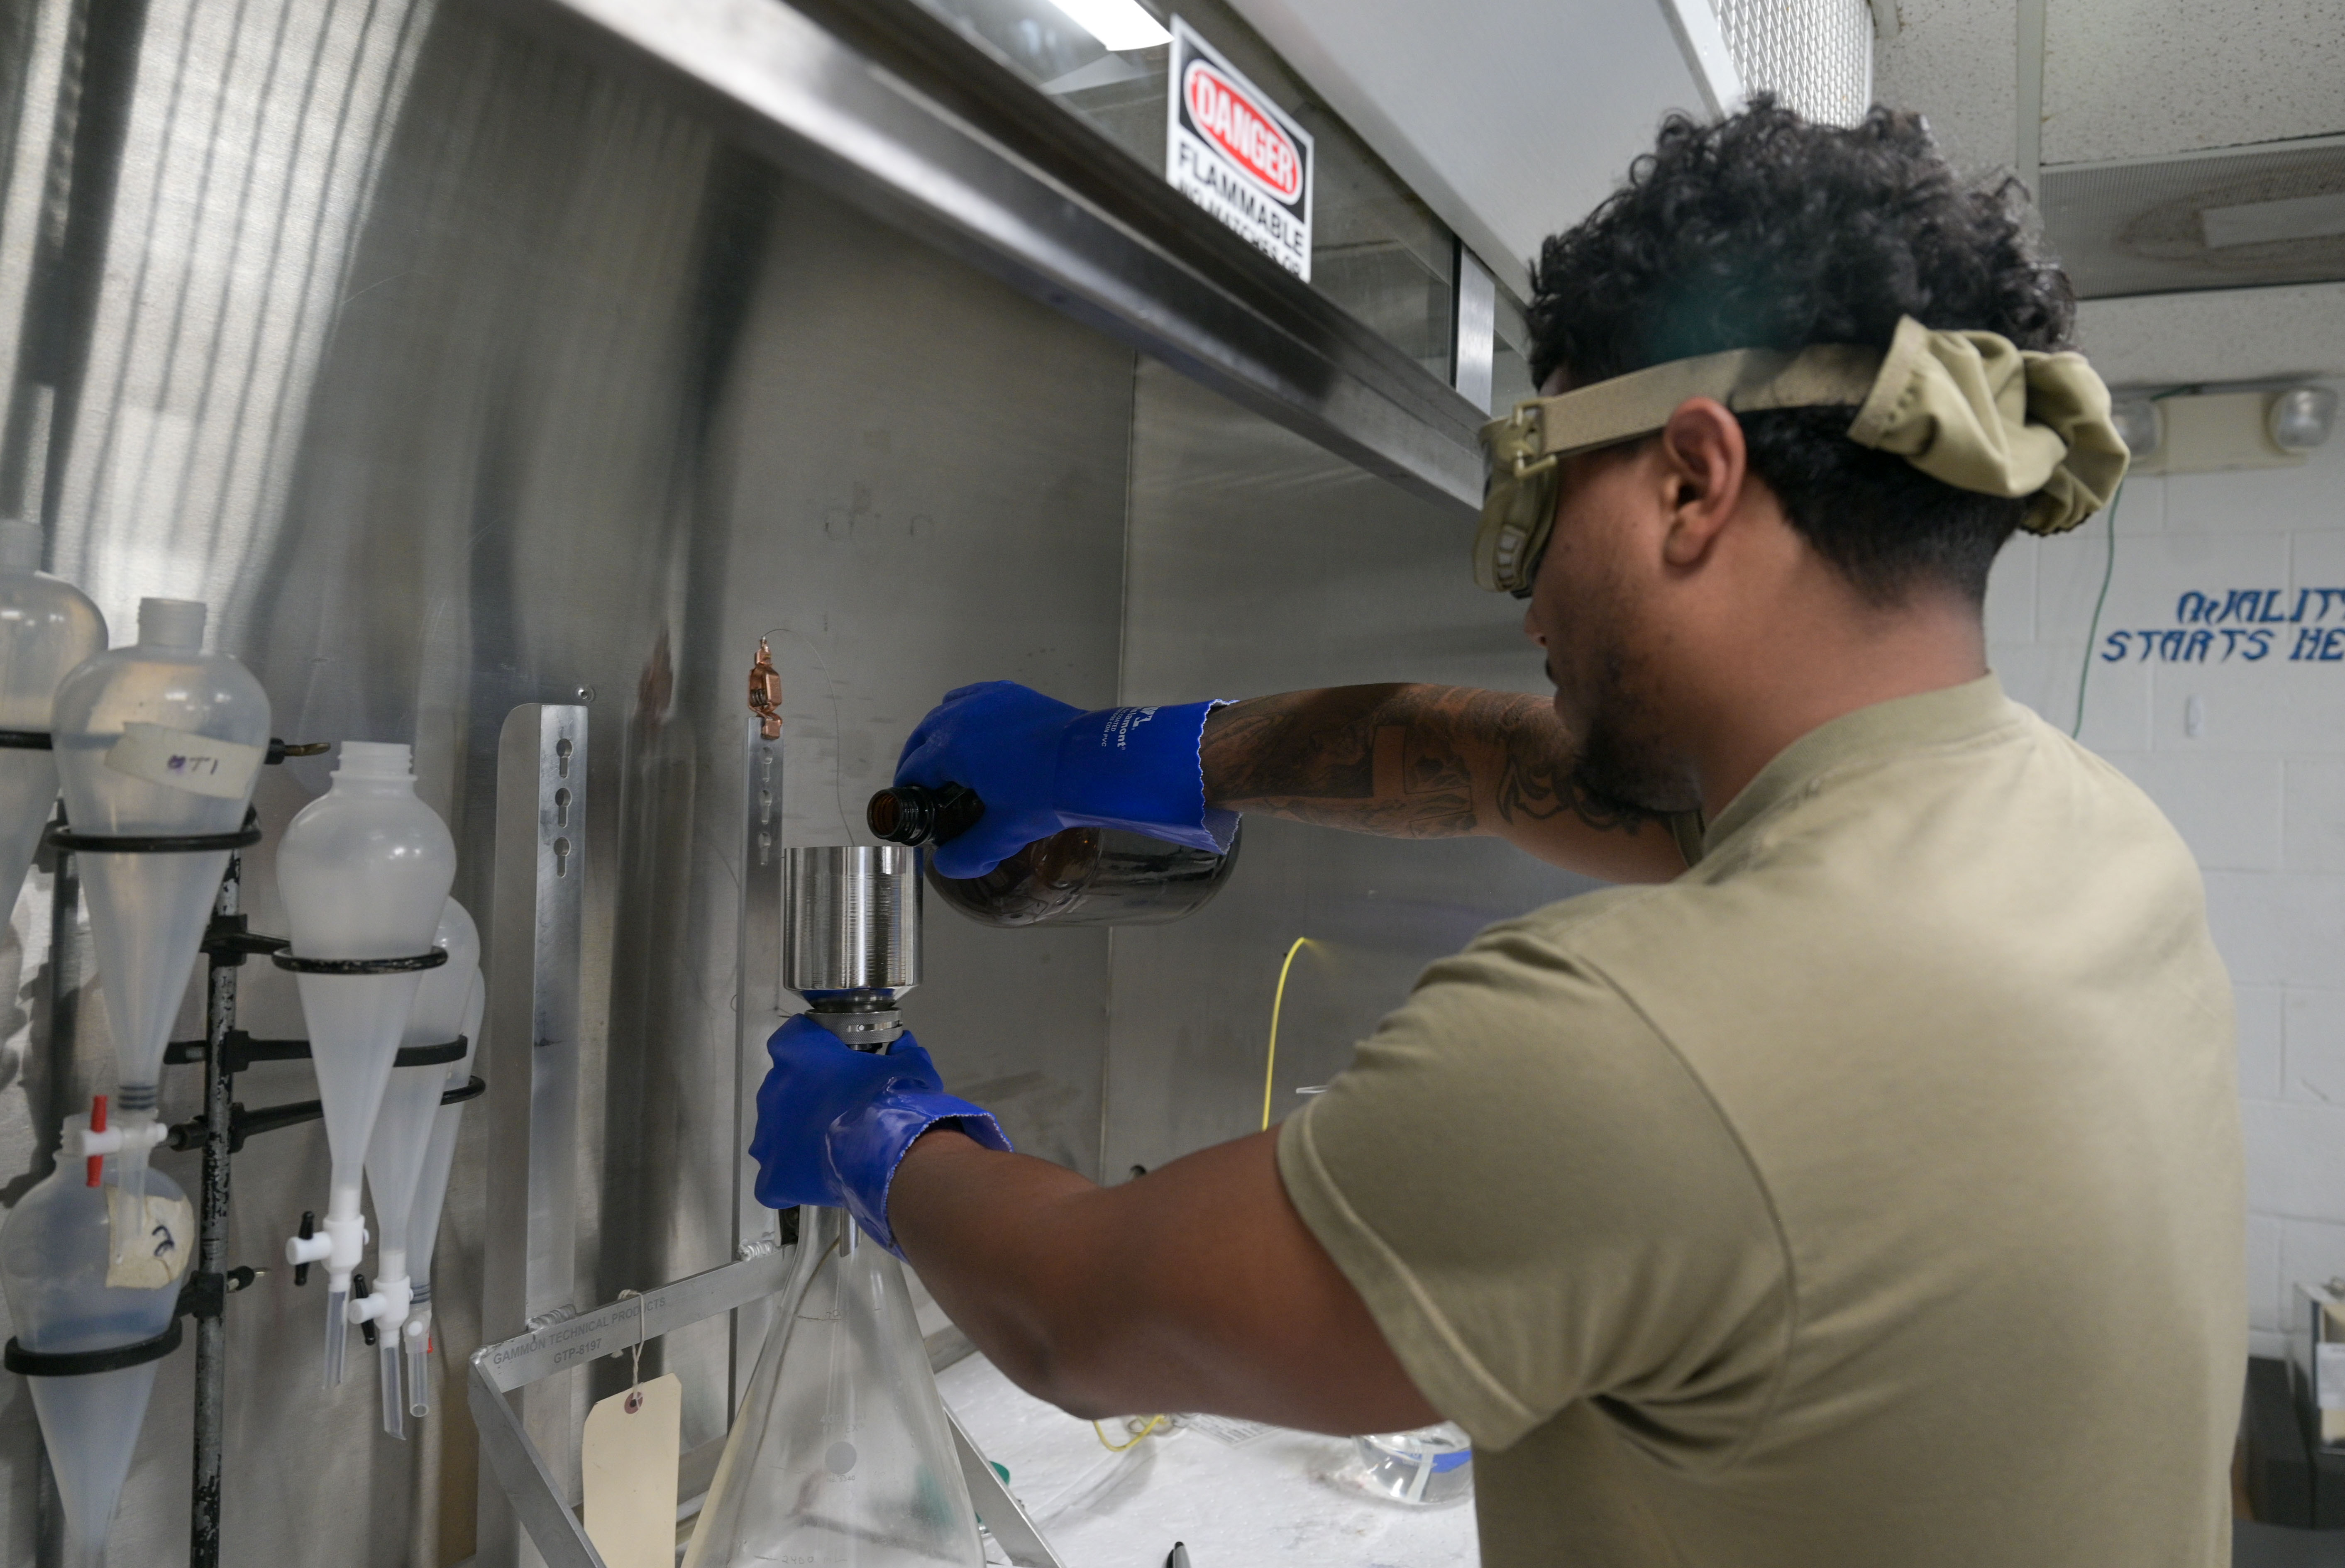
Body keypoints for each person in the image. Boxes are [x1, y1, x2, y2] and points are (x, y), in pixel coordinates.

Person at [750, 99, 2243, 1566]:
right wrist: (1140, 756)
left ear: (1688, 479)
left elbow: (1076, 1311)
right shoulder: (2093, 844)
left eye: (1537, 496)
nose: (1521, 595)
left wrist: (876, 1129)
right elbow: (1521, 771)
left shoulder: (1643, 1043)